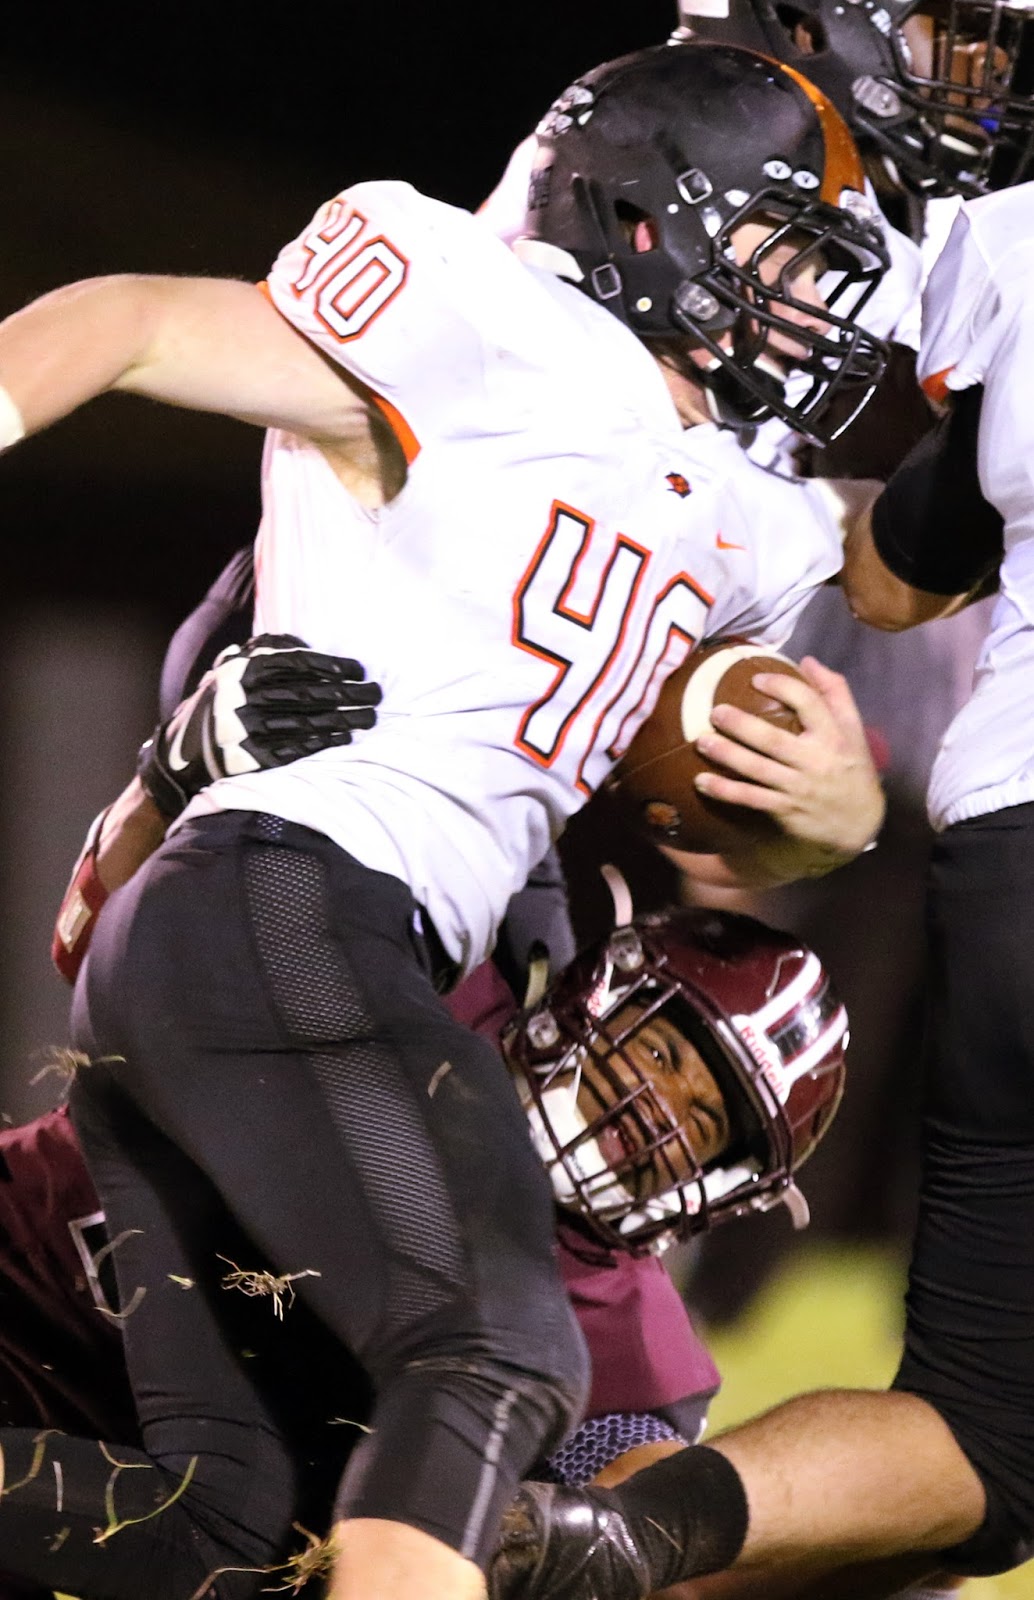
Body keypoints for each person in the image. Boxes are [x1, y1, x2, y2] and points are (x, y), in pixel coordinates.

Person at [0, 40, 888, 1600]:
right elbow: (132, 319)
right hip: (291, 894)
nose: (801, 305)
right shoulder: (491, 329)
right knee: (486, 1350)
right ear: (641, 218)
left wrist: (840, 817)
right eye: (772, 248)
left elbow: (900, 549)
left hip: (262, 946)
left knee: (222, 1532)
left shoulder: (732, 490)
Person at [489, 192, 1033, 1600]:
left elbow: (898, 573)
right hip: (922, 826)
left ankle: (583, 1526)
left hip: (995, 835)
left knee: (977, 1428)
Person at [2, 899, 849, 1600]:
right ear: (603, 988)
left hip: (123, 1510)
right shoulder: (425, 967)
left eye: (700, 1122)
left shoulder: (632, 1354)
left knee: (270, 1542)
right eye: (662, 1049)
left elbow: (634, 1527)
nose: (651, 1108)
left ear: (724, 1187)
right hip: (24, 1255)